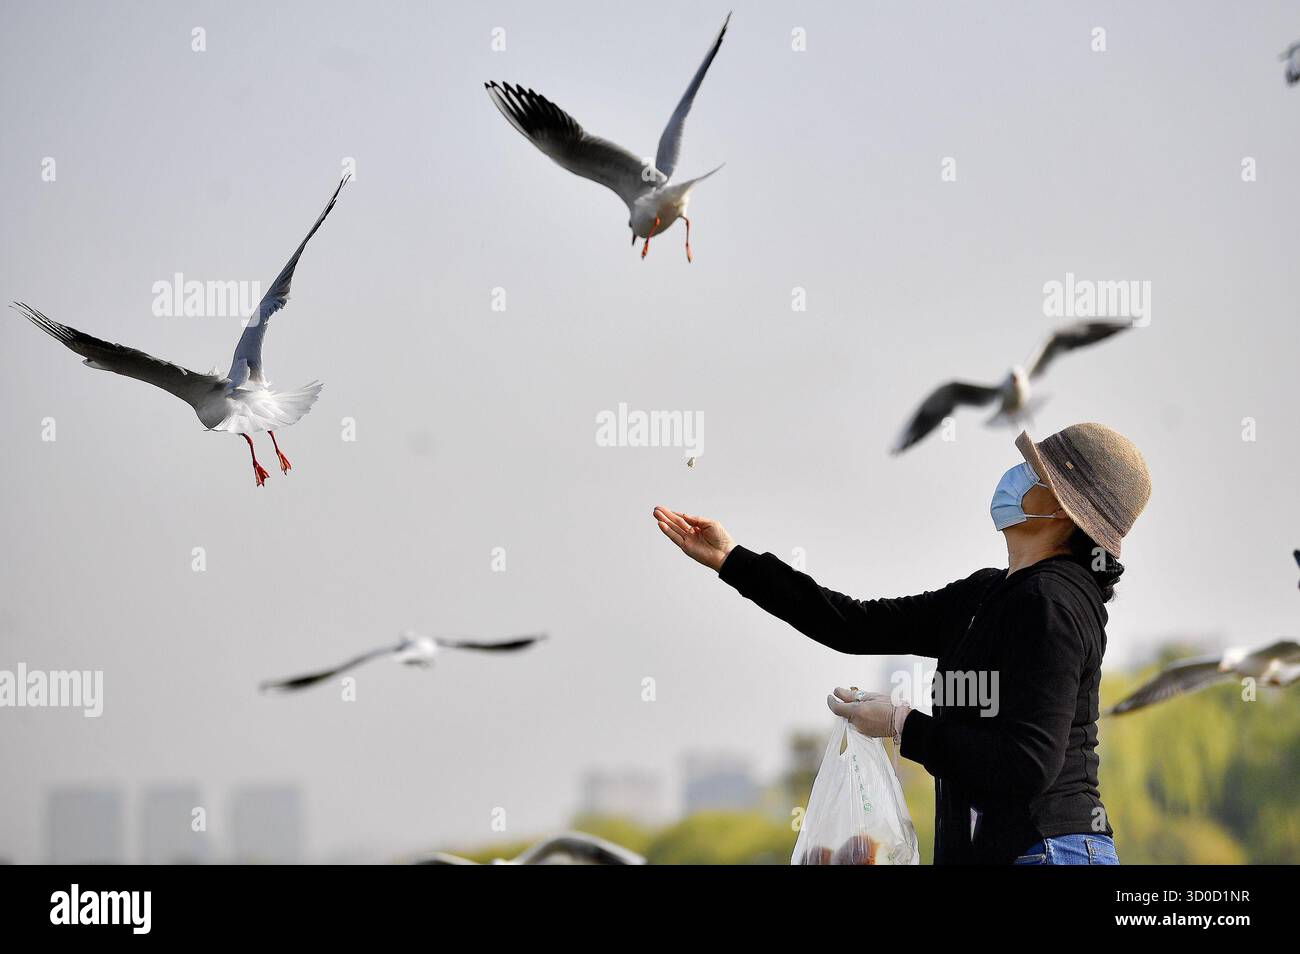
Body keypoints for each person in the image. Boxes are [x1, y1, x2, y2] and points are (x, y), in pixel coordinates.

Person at [652, 423, 1151, 865]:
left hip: (1046, 850)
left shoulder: (1052, 603)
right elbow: (852, 624)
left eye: (1034, 472)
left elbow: (1028, 763)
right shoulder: (987, 594)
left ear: (1063, 510)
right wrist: (732, 560)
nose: (1017, 475)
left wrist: (901, 725)